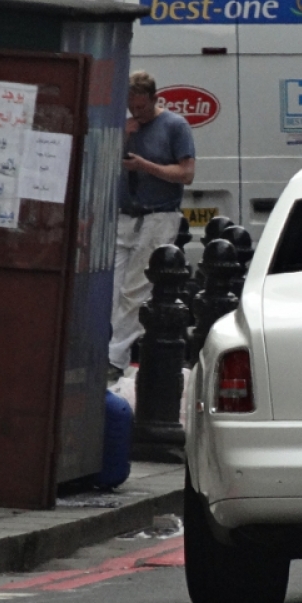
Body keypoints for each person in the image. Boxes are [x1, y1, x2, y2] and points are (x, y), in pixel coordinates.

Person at [108, 71, 195, 379]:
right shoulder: (127, 125)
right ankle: (114, 349)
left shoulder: (175, 126)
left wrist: (145, 166)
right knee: (112, 285)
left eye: (142, 108)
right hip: (126, 213)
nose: (137, 114)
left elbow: (186, 174)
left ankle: (114, 358)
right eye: (132, 108)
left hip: (159, 214)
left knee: (135, 288)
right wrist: (123, 136)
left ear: (155, 100)